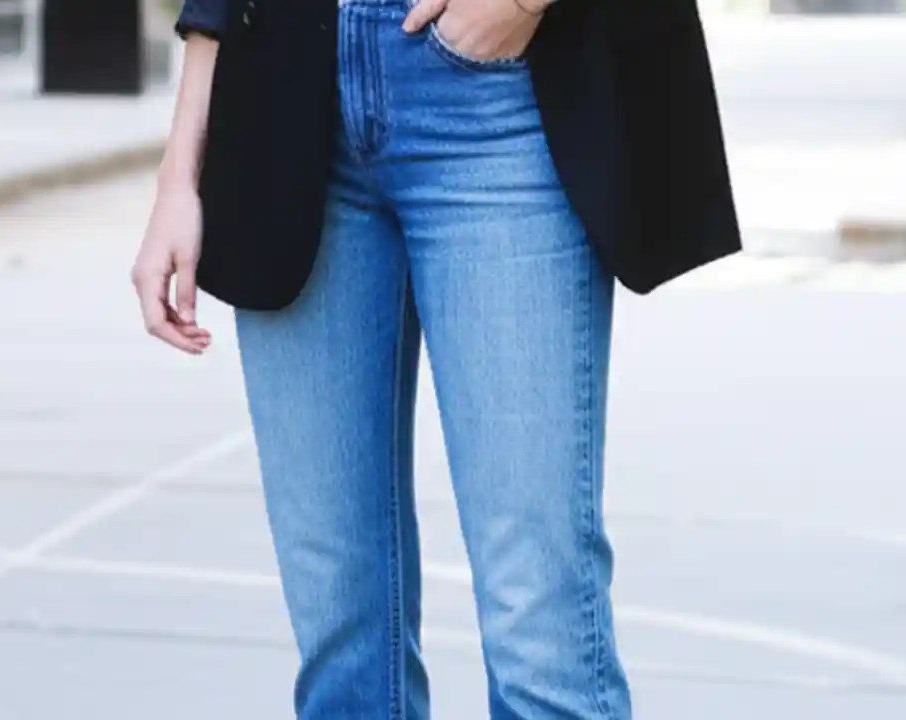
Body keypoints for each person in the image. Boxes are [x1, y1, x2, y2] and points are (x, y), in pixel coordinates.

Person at [131, 0, 739, 717]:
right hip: (286, 92)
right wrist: (179, 170)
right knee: (338, 638)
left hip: (497, 99)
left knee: (540, 630)